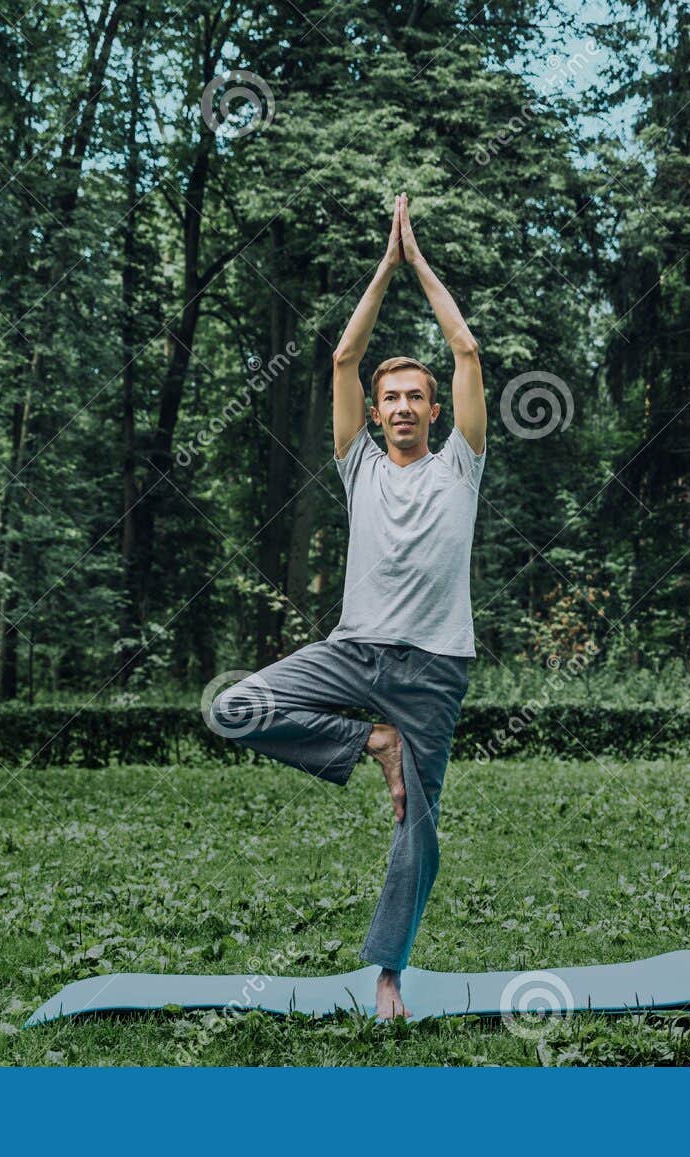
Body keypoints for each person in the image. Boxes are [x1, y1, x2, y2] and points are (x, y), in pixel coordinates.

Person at [210, 192, 487, 1020]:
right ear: (374, 413)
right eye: (389, 397)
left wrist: (420, 263)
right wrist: (383, 266)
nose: (402, 406)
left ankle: (389, 973)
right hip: (355, 650)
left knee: (420, 830)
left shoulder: (460, 467)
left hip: (433, 667)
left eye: (416, 397)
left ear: (435, 411)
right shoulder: (358, 465)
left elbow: (466, 347)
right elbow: (339, 357)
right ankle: (374, 741)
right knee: (234, 706)